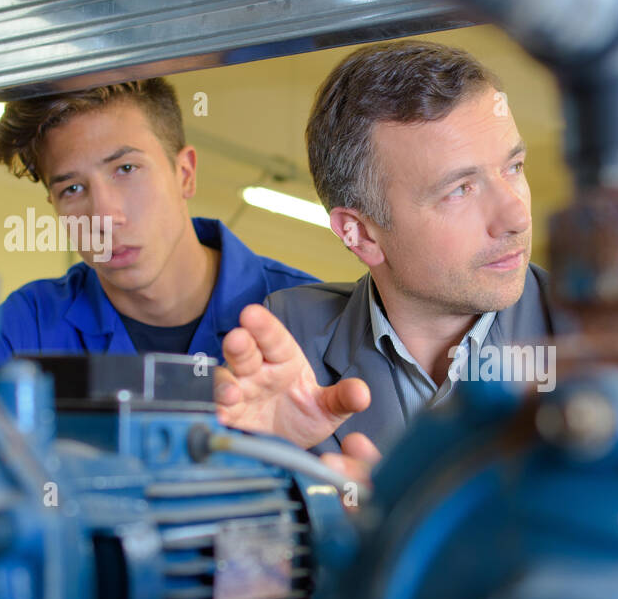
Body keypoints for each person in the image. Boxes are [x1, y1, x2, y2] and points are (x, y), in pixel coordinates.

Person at [213, 40, 553, 470]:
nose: (517, 216)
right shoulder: (290, 339)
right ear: (360, 234)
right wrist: (260, 465)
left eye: (513, 168)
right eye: (460, 189)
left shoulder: (600, 336)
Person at [0, 78, 317, 367]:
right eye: (73, 189)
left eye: (126, 169)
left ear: (184, 174)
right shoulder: (26, 330)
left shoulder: (313, 317)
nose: (104, 218)